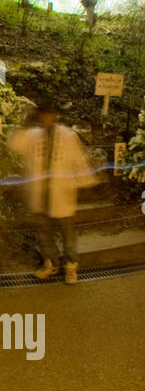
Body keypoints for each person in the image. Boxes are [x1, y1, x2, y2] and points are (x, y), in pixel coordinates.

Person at [8, 100, 95, 284]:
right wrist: (26, 120)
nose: (47, 118)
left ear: (55, 116)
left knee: (68, 236)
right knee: (44, 234)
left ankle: (71, 267)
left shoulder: (68, 136)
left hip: (62, 194)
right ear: (40, 116)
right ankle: (50, 264)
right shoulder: (33, 135)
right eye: (43, 114)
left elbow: (79, 161)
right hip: (40, 195)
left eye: (50, 114)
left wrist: (85, 182)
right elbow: (14, 142)